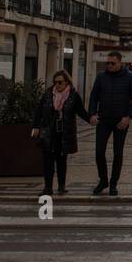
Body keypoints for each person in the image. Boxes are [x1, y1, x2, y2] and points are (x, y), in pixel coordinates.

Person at [87, 51, 132, 197]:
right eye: (108, 63)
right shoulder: (101, 77)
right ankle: (103, 180)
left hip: (121, 121)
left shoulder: (130, 78)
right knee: (99, 151)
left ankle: (113, 184)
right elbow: (93, 96)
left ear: (120, 63)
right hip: (103, 119)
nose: (109, 65)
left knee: (118, 153)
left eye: (113, 63)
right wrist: (92, 114)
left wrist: (129, 117)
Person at [30, 69, 89, 197]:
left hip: (64, 133)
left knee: (61, 160)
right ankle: (47, 188)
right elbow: (39, 110)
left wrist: (92, 120)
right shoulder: (48, 94)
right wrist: (35, 127)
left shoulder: (73, 95)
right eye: (55, 82)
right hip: (49, 133)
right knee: (48, 161)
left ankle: (61, 187)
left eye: (60, 82)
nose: (57, 85)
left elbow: (81, 112)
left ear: (67, 82)